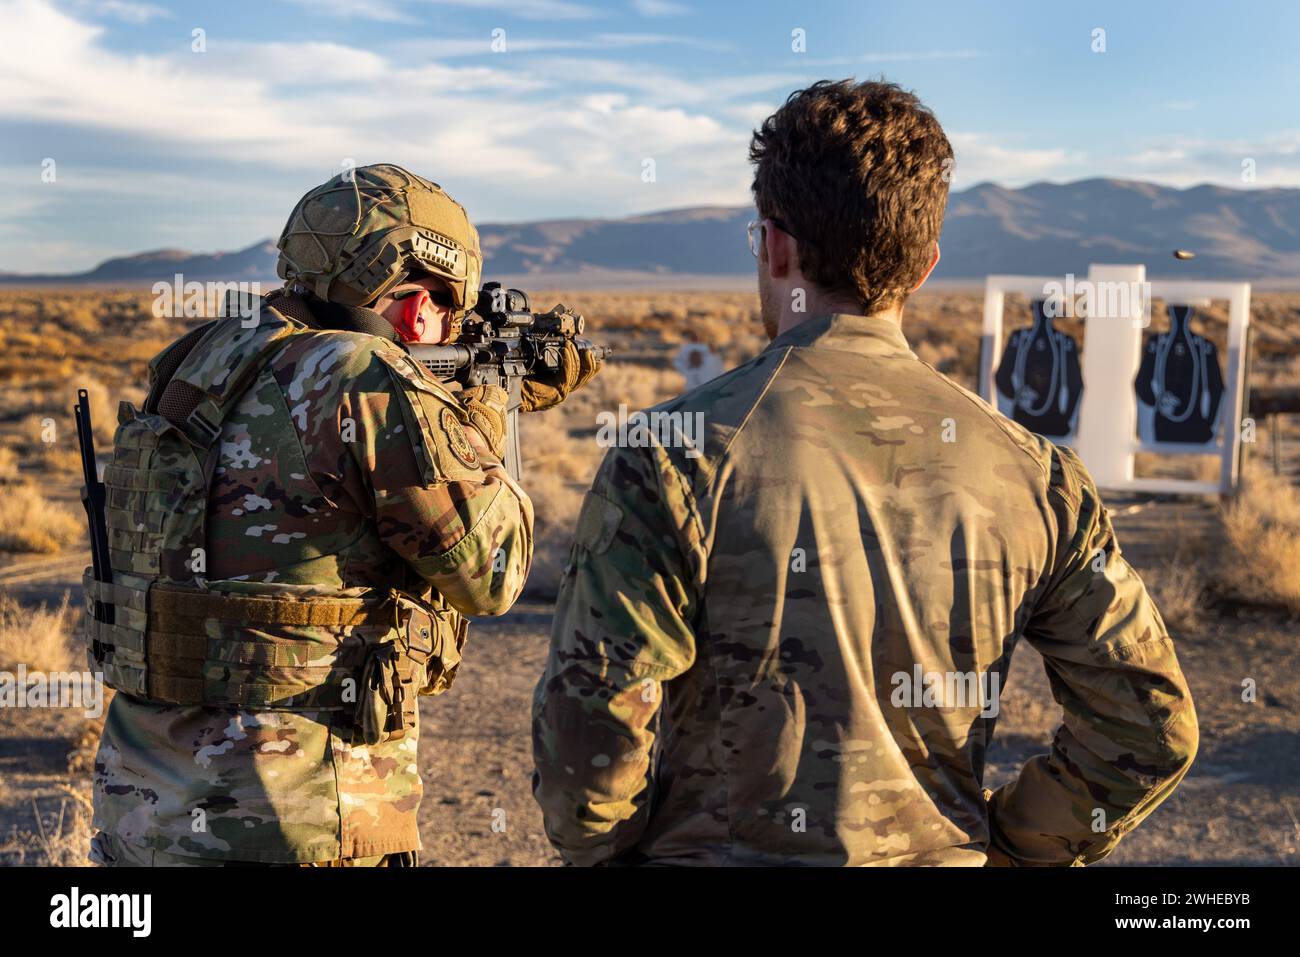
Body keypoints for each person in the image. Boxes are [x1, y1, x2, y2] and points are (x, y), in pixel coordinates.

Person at [532, 81, 1197, 866]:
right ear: (923, 266)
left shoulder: (676, 455)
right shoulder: (1038, 476)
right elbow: (1150, 729)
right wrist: (1012, 843)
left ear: (775, 247)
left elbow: (591, 739)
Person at [87, 163, 599, 866]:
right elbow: (495, 571)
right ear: (421, 302)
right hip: (294, 819)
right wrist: (482, 407)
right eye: (448, 312)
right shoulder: (364, 376)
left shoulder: (200, 358)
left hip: (142, 812)